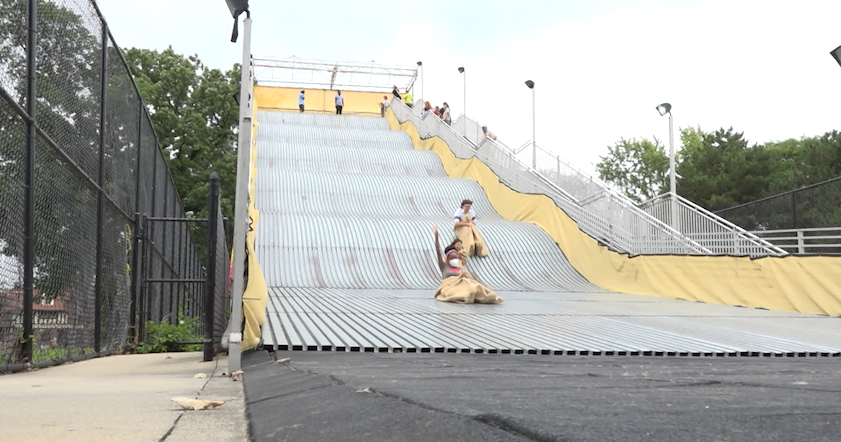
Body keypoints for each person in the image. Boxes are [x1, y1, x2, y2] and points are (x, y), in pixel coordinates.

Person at [432, 226, 502, 304]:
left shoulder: (460, 269)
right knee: (468, 290)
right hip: (451, 286)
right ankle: (466, 295)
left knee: (475, 287)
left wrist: (484, 285)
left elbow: (470, 278)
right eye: (453, 258)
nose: (455, 259)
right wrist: (436, 235)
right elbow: (438, 250)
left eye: (457, 257)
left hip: (464, 284)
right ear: (448, 258)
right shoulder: (444, 267)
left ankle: (477, 295)